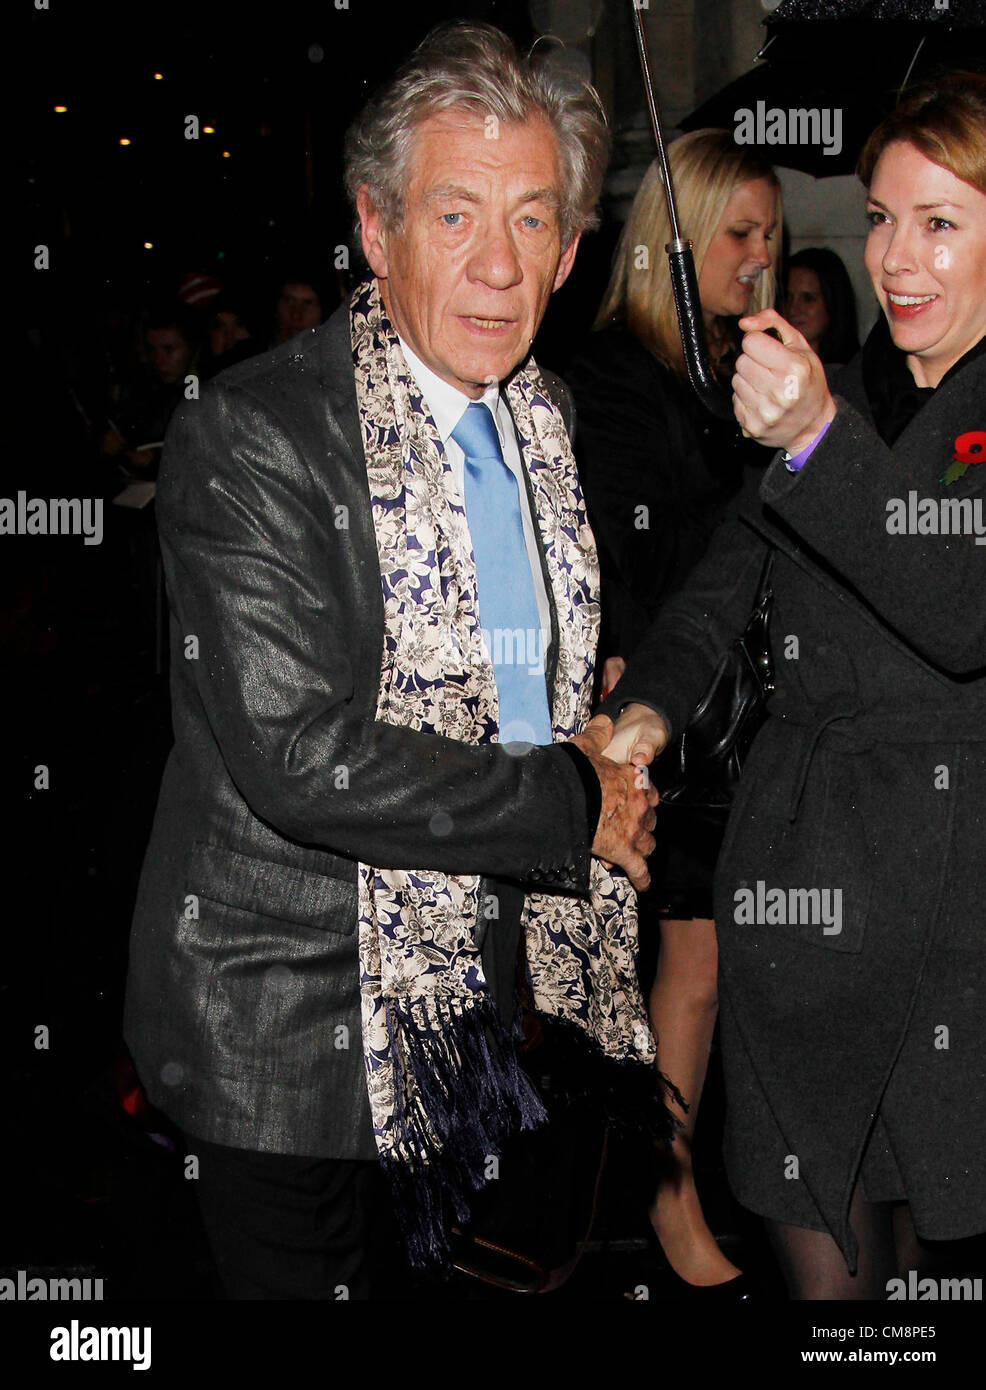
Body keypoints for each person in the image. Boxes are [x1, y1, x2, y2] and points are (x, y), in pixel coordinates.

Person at [123, 21, 667, 1301]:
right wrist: (574, 802)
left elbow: (510, 671)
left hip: (475, 1000)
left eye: (532, 222)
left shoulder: (543, 416)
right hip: (286, 1031)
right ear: (375, 230)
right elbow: (301, 759)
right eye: (454, 215)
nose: (496, 266)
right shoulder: (254, 435)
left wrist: (588, 714)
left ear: (573, 250)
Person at [595, 70, 986, 1299]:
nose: (894, 257)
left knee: (920, 1255)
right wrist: (641, 721)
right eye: (877, 216)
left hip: (946, 906)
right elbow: (720, 583)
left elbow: (956, 605)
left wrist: (820, 441)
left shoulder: (857, 414)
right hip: (800, 887)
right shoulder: (856, 383)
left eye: (939, 222)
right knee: (823, 1261)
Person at [565, 129, 780, 1293]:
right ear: (677, 236)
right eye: (737, 233)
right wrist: (621, 681)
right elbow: (609, 550)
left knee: (711, 959)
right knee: (687, 960)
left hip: (742, 712)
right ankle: (669, 1199)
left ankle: (695, 1182)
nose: (757, 257)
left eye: (769, 233)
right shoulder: (613, 372)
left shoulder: (735, 364)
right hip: (661, 706)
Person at [784, 246, 859, 368]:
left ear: (833, 303)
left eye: (808, 299)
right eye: (788, 297)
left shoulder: (854, 374)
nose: (793, 309)